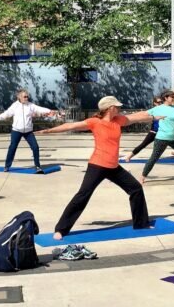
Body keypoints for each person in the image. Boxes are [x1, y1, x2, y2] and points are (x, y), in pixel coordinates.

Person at [37, 96, 160, 240]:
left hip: (113, 167)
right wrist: (49, 131)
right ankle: (61, 230)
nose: (119, 109)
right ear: (109, 108)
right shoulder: (95, 122)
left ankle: (141, 223)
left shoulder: (118, 120)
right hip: (97, 165)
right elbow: (71, 126)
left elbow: (136, 117)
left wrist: (154, 115)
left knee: (136, 188)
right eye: (117, 106)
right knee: (82, 195)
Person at [0, 88, 60, 173]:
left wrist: (50, 111)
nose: (26, 98)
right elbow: (6, 114)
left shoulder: (30, 105)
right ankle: (7, 166)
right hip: (16, 131)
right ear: (19, 97)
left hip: (28, 132)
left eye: (27, 97)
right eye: (24, 97)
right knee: (12, 148)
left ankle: (38, 166)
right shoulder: (15, 106)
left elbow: (40, 109)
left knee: (35, 147)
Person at [123, 95, 163, 162]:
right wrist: (130, 116)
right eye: (159, 102)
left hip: (164, 133)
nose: (160, 104)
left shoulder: (165, 109)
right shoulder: (153, 110)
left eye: (162, 102)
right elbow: (142, 114)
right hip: (154, 132)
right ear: (155, 103)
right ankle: (129, 156)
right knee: (143, 144)